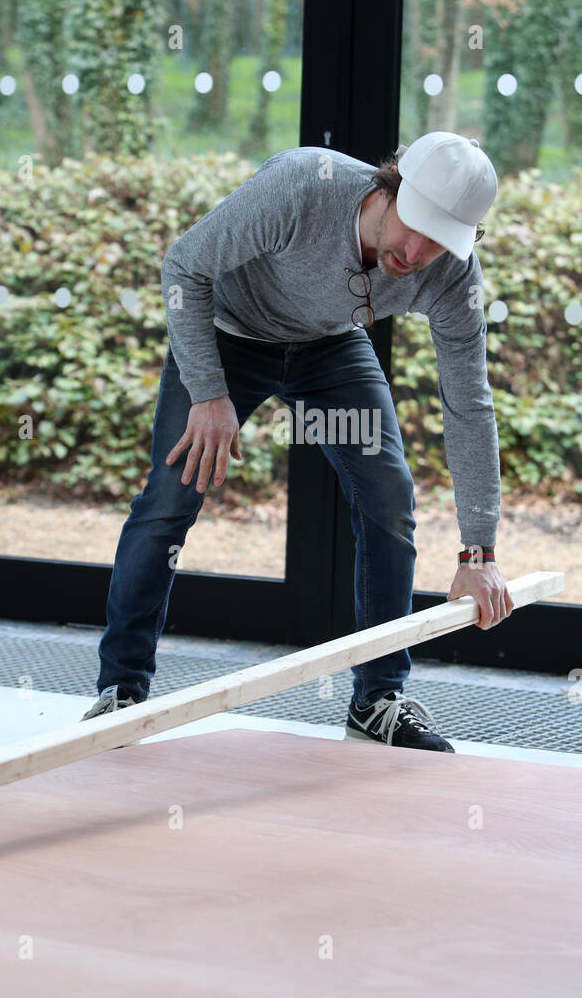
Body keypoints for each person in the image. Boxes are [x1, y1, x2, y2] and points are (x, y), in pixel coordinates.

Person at [84, 130, 514, 751]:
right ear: (388, 185)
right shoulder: (301, 186)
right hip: (226, 336)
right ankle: (121, 691)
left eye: (439, 239)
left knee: (389, 497)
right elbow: (183, 265)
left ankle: (378, 699)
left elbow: (469, 403)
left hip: (329, 347)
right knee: (170, 500)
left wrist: (479, 553)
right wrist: (208, 393)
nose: (415, 251)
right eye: (412, 225)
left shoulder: (450, 273)